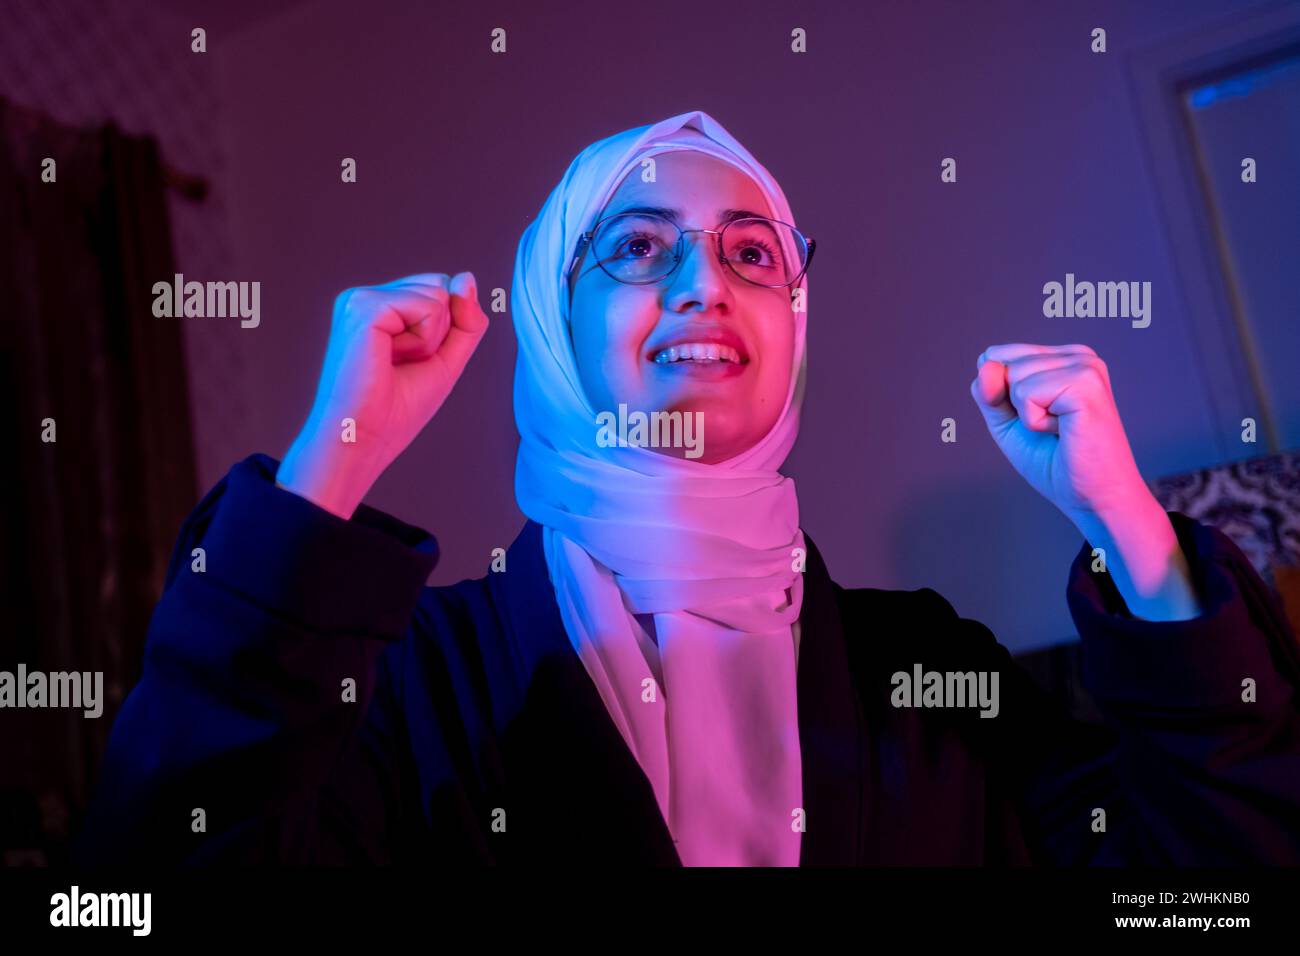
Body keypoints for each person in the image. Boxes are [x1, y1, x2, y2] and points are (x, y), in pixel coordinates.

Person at [73, 110, 1300, 867]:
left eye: (751, 254)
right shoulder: (415, 681)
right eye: (639, 248)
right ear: (555, 324)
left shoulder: (924, 665)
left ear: (794, 322)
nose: (704, 285)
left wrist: (1129, 525)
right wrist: (326, 467)